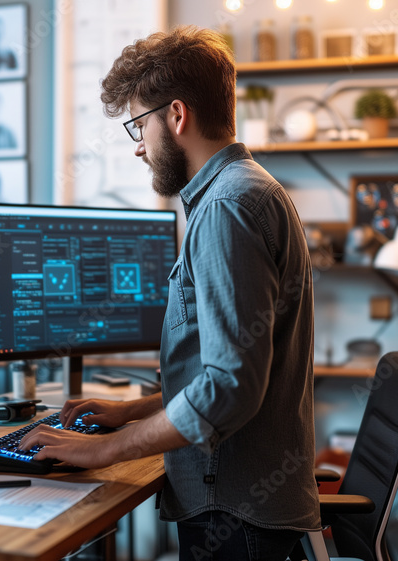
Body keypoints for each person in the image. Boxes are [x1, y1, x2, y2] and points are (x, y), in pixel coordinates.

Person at [21, 26, 319, 560]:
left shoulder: (227, 207)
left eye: (139, 125)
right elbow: (236, 371)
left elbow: (230, 388)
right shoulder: (250, 191)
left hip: (235, 515)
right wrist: (131, 413)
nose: (138, 147)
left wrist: (103, 450)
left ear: (177, 116)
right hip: (246, 507)